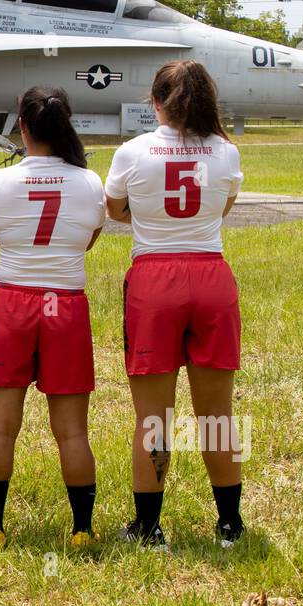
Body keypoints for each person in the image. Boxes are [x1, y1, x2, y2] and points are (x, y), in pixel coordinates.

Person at [104, 59, 246, 549]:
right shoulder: (226, 152)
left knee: (152, 416)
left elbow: (116, 209)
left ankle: (148, 528)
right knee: (218, 414)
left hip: (154, 280)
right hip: (211, 275)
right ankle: (230, 525)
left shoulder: (132, 151)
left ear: (156, 102)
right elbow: (223, 208)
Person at [0, 87, 106, 549]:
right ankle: (82, 530)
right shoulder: (90, 183)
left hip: (13, 302)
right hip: (65, 303)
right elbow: (87, 241)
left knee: (0, 428)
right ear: (66, 124)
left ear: (23, 127)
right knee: (71, 431)